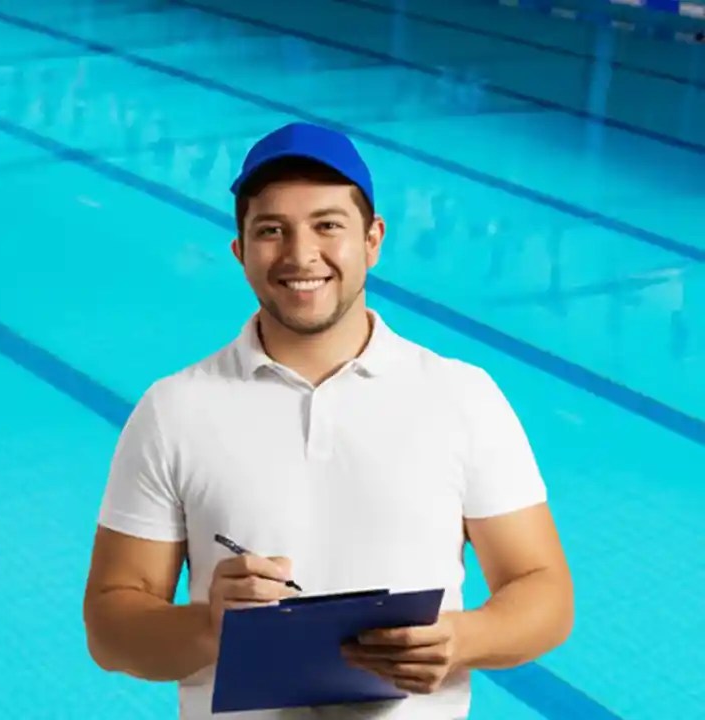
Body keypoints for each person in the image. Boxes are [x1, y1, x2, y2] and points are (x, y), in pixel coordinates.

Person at [82, 122, 573, 719]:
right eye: (271, 231)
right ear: (240, 251)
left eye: (327, 225)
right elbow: (111, 626)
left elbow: (544, 589)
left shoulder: (460, 396)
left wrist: (461, 639)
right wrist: (213, 627)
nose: (299, 255)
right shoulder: (175, 409)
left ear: (373, 240)